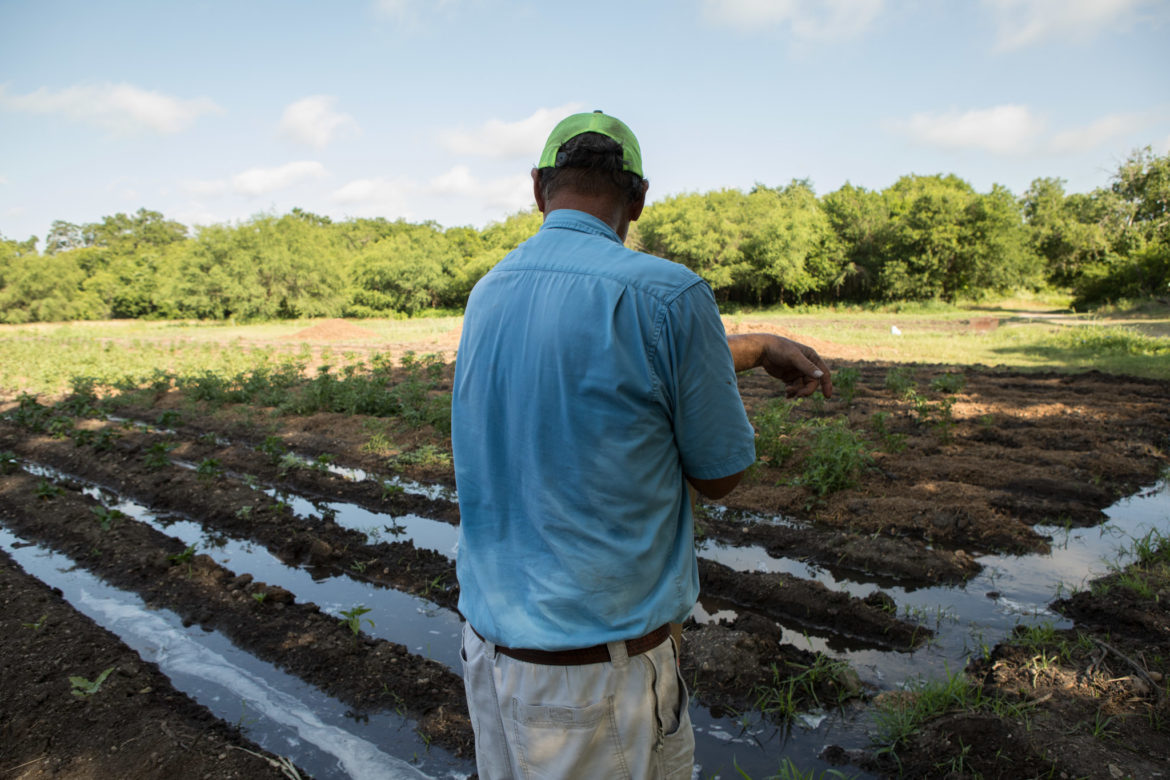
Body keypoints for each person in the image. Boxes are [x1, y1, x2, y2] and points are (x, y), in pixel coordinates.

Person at [451, 111, 832, 779]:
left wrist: (756, 346)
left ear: (539, 188)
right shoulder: (670, 295)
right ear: (639, 197)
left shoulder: (488, 294)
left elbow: (592, 364)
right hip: (601, 682)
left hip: (491, 659)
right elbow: (720, 474)